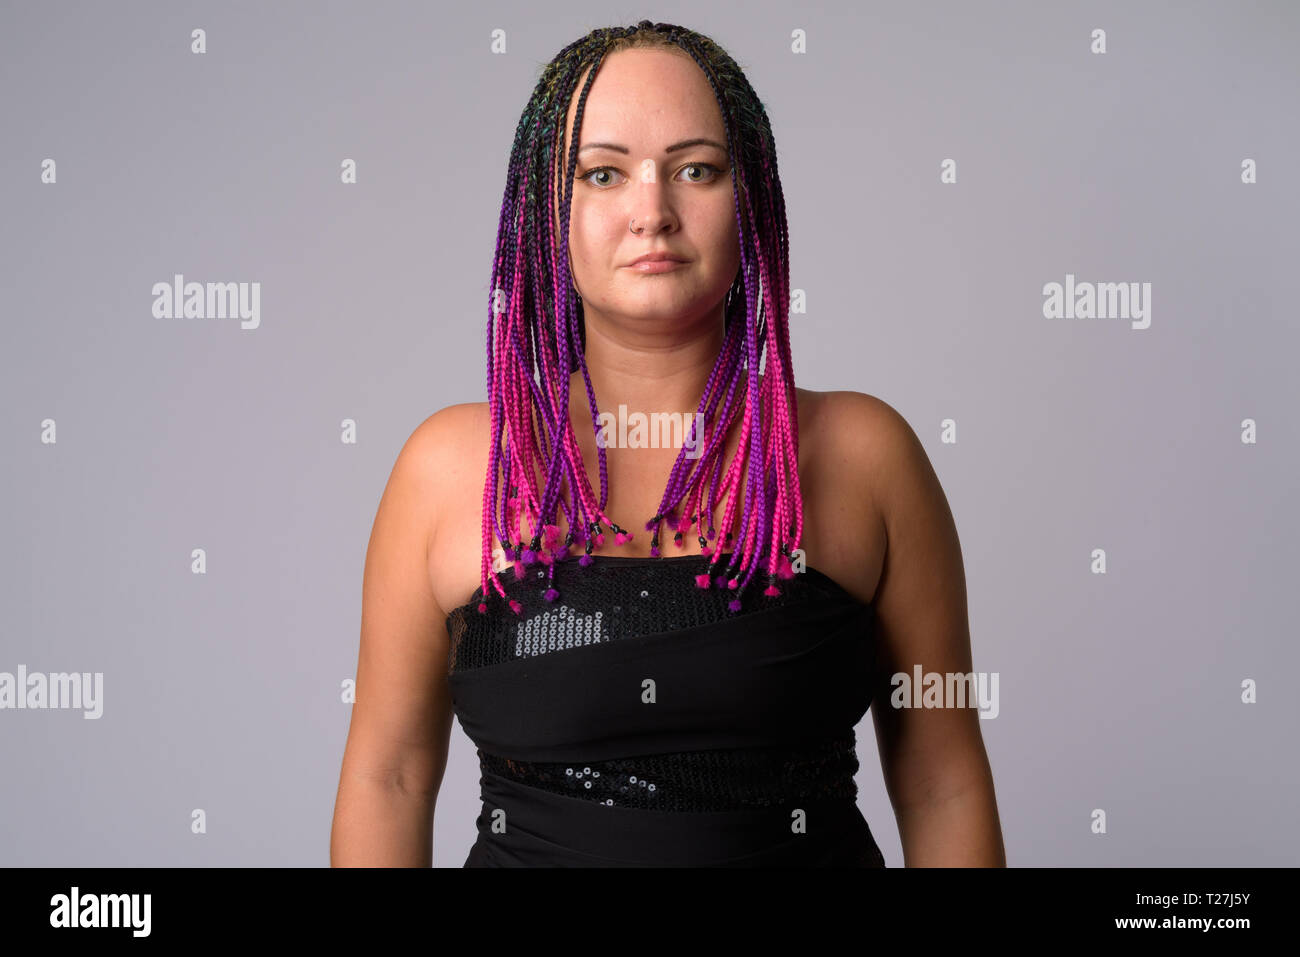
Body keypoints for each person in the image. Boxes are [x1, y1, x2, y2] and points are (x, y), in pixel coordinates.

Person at [330, 20, 1005, 867]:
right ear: (546, 212)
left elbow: (944, 783)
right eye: (602, 173)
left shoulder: (867, 456)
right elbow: (386, 777)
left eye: (696, 169)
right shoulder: (447, 470)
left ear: (750, 198)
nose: (652, 211)